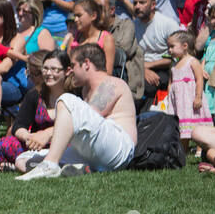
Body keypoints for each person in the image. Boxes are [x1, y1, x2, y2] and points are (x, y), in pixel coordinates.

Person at [17, 43, 137, 179]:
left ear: (86, 64)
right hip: (91, 152)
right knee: (24, 159)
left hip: (118, 150)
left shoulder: (111, 84)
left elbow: (84, 118)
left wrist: (46, 134)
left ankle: (50, 165)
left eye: (73, 65)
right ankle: (77, 170)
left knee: (66, 99)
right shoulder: (85, 90)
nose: (70, 71)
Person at [0, 50, 66, 171]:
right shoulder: (34, 95)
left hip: (64, 144)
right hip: (36, 146)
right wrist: (29, 137)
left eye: (36, 73)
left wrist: (47, 135)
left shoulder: (72, 94)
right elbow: (19, 125)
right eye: (29, 74)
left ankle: (26, 166)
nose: (32, 79)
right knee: (5, 143)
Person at [131, 0, 184, 107]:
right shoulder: (133, 26)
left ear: (153, 5)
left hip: (165, 69)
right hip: (141, 68)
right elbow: (130, 54)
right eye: (135, 3)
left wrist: (148, 66)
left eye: (142, 2)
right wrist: (143, 70)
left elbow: (179, 55)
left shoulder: (167, 24)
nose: (137, 6)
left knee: (145, 86)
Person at [164, 31, 211, 149]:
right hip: (179, 103)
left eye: (172, 46)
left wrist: (198, 97)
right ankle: (183, 150)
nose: (169, 50)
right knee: (182, 128)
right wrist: (169, 98)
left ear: (185, 46)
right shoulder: (174, 65)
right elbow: (171, 82)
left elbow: (199, 79)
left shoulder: (192, 61)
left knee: (197, 124)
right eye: (168, 47)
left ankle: (201, 149)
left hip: (190, 100)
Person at [60, 0, 115, 75]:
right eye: (74, 16)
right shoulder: (73, 39)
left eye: (79, 15)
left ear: (93, 16)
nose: (75, 19)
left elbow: (108, 73)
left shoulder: (106, 39)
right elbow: (69, 67)